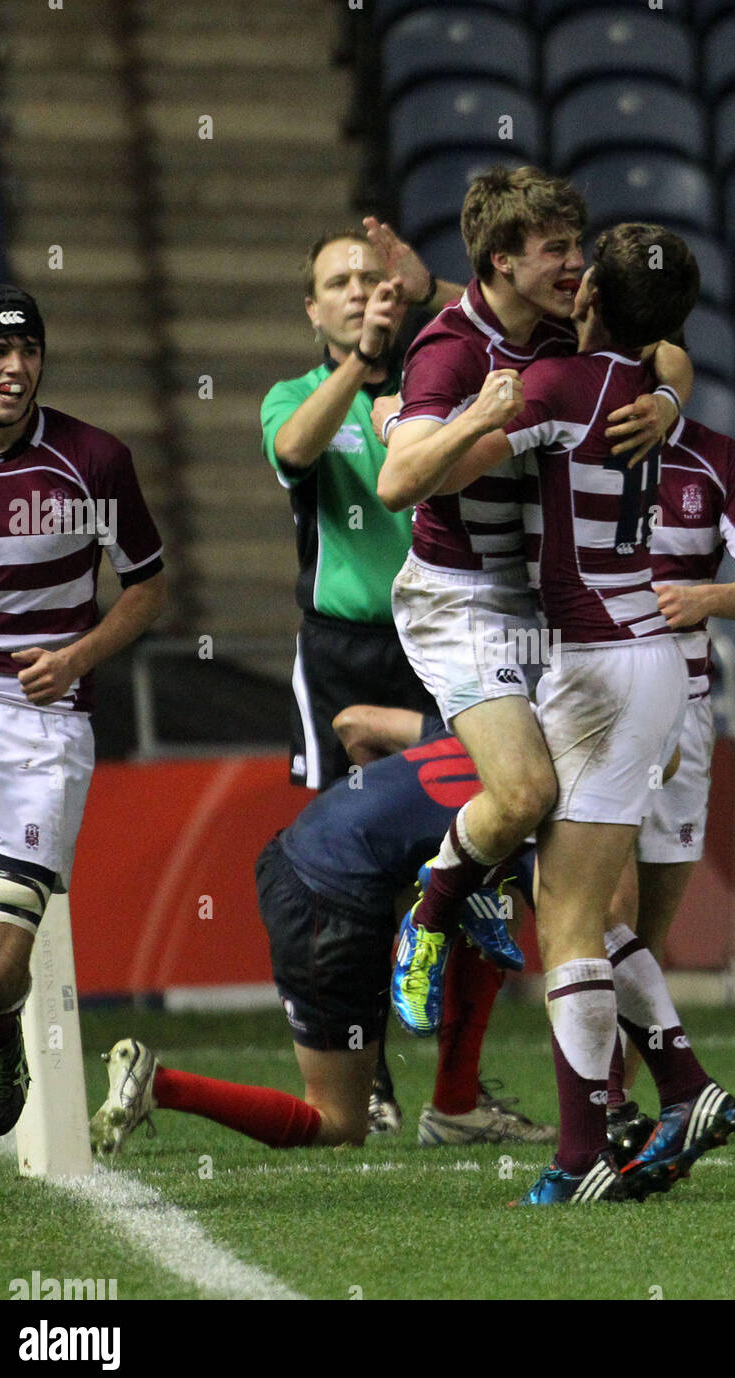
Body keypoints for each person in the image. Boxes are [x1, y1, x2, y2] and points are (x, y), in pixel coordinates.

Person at [426, 223, 735, 1204]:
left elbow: (443, 465)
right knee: (584, 914)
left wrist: (421, 416)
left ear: (591, 297)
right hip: (635, 657)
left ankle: (577, 1153)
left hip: (604, 665)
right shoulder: (642, 386)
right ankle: (678, 1088)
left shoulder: (564, 387)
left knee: (567, 917)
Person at [377, 168, 691, 1039]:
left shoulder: (564, 327)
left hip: (546, 605)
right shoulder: (447, 352)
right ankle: (431, 916)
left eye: (576, 247)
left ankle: (644, 1097)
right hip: (461, 596)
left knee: (602, 880)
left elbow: (666, 348)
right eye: (555, 249)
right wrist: (475, 418)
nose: (575, 265)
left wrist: (666, 399)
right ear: (502, 259)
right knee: (522, 795)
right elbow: (397, 480)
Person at [89, 712, 553, 1156]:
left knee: (489, 890)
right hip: (327, 899)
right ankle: (160, 1085)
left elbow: (354, 720)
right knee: (337, 1125)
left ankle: (456, 1106)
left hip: (309, 856)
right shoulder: (536, 800)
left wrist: (380, 805)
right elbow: (572, 933)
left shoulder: (465, 727)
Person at [260, 221, 465, 1133]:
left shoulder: (433, 383)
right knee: (357, 866)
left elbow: (527, 344)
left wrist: (432, 298)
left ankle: (458, 1094)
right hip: (343, 654)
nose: (356, 291)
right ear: (314, 309)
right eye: (338, 282)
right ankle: (365, 1074)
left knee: (467, 862)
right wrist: (361, 360)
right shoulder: (296, 395)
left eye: (370, 278)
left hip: (444, 646)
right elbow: (297, 453)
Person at [0, 276, 165, 1137]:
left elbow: (148, 589)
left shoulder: (92, 461)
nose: (15, 368)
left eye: (28, 350)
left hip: (40, 727)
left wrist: (78, 656)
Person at [606, 398, 735, 1124]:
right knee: (607, 912)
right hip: (596, 703)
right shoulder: (573, 441)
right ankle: (607, 1108)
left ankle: (620, 1099)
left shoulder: (714, 459)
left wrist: (704, 597)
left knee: (646, 936)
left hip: (685, 713)